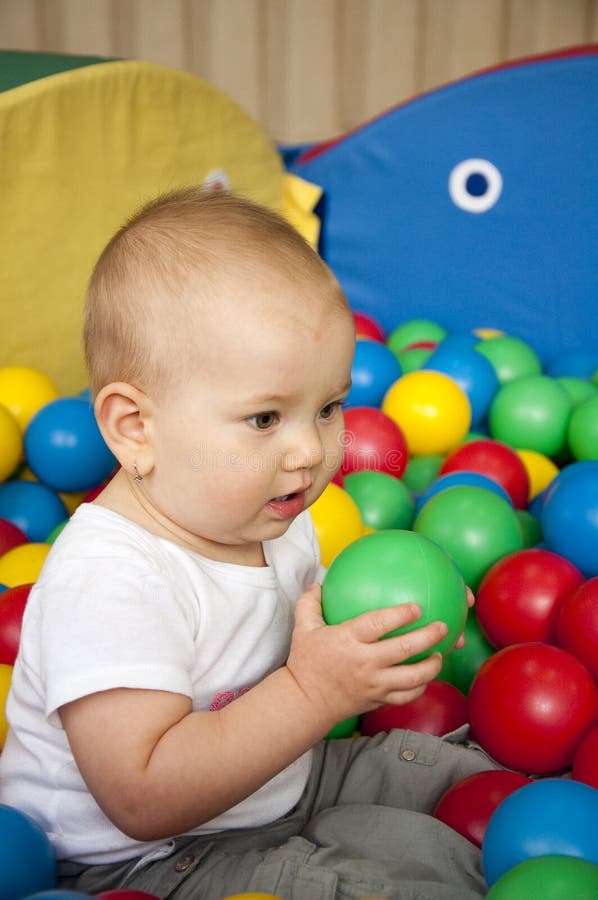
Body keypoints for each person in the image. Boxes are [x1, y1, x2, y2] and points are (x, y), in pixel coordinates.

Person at [0, 188, 500, 900]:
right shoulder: (110, 578)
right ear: (136, 428)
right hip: (144, 859)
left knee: (457, 780)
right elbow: (142, 800)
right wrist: (314, 691)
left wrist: (387, 625)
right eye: (265, 417)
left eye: (328, 408)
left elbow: (310, 623)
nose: (308, 451)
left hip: (280, 774)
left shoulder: (266, 508)